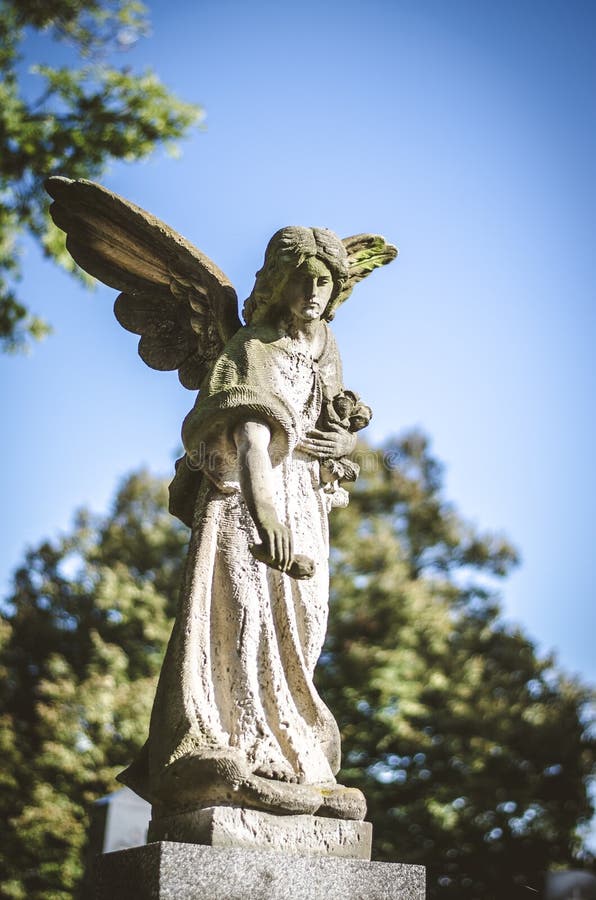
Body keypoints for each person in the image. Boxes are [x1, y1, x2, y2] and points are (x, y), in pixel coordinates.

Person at [119, 227, 368, 820]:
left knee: (301, 631)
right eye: (301, 277)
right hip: (243, 502)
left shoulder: (323, 347)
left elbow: (328, 428)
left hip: (303, 502)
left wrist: (344, 439)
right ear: (276, 283)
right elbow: (253, 436)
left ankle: (300, 754)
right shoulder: (251, 348)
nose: (312, 290)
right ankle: (234, 747)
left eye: (324, 280)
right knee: (241, 617)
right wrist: (267, 517)